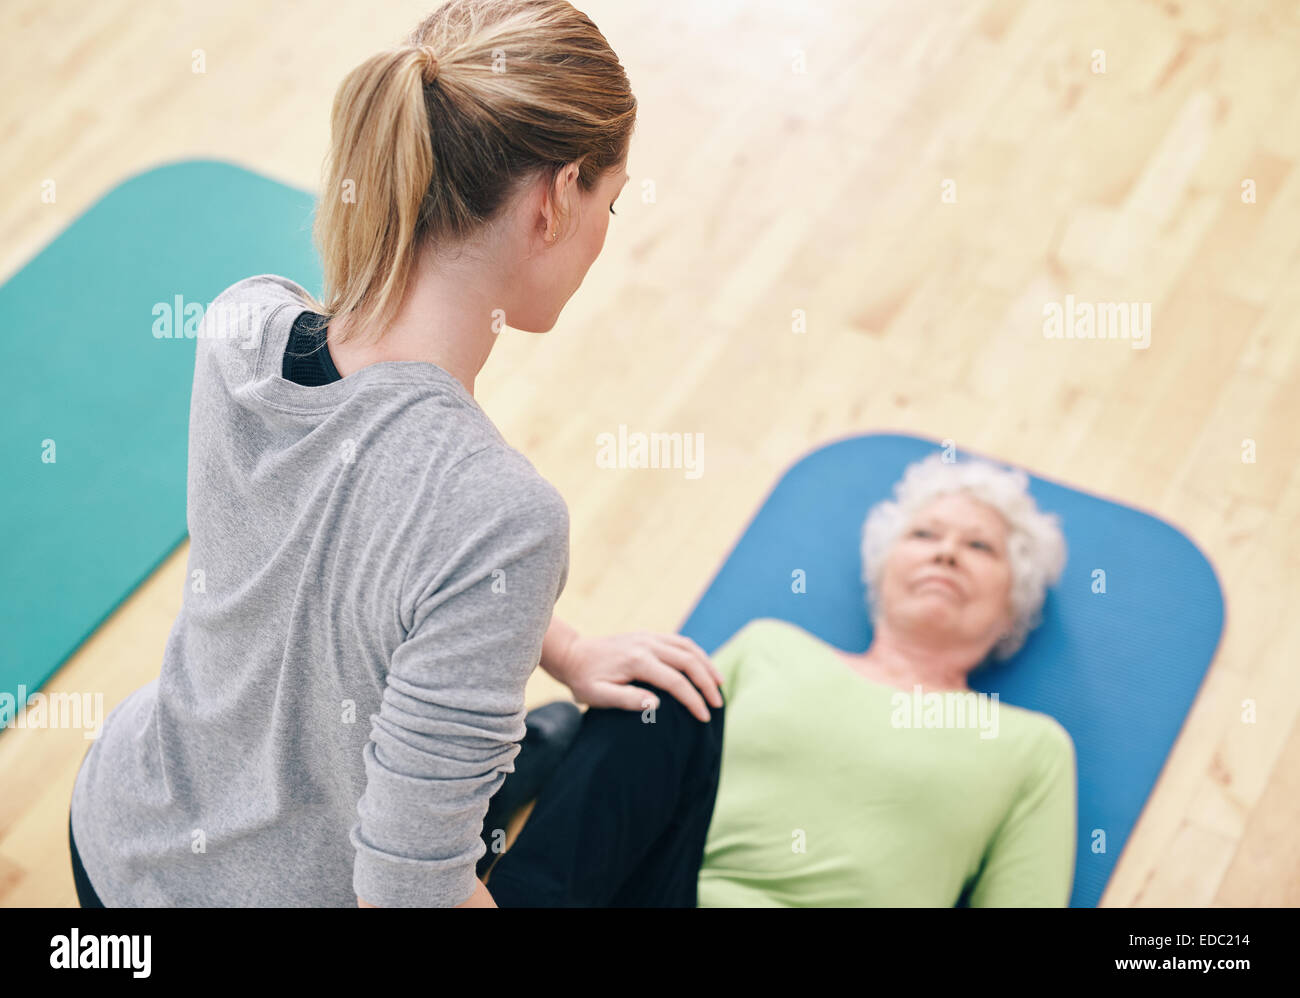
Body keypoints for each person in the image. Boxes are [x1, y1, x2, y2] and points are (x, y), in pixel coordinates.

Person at [67, 0, 724, 909]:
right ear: (551, 200)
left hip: (116, 840)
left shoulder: (244, 326)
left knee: (628, 707)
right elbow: (405, 894)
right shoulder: (501, 517)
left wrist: (566, 648)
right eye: (610, 200)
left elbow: (356, 558)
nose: (607, 229)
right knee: (679, 718)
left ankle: (519, 754)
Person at [484, 453, 1079, 906]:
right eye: (925, 535)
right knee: (662, 679)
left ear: (1014, 600)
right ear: (885, 565)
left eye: (980, 546)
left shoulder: (1033, 746)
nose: (947, 553)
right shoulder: (773, 648)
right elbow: (644, 782)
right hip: (668, 891)